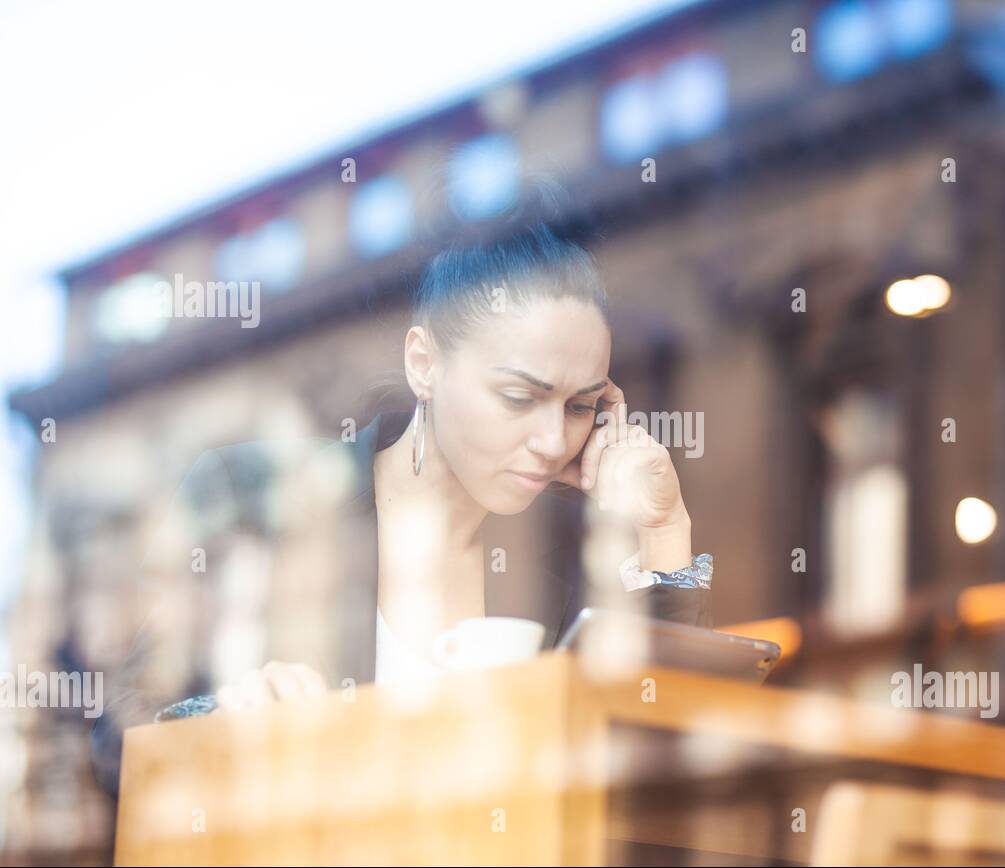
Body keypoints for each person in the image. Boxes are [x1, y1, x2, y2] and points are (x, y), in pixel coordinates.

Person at [89, 191, 712, 796]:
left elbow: (668, 736)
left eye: (580, 406)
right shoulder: (283, 506)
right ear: (425, 365)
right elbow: (119, 739)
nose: (553, 440)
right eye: (520, 397)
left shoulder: (558, 548)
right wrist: (218, 712)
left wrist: (664, 529)